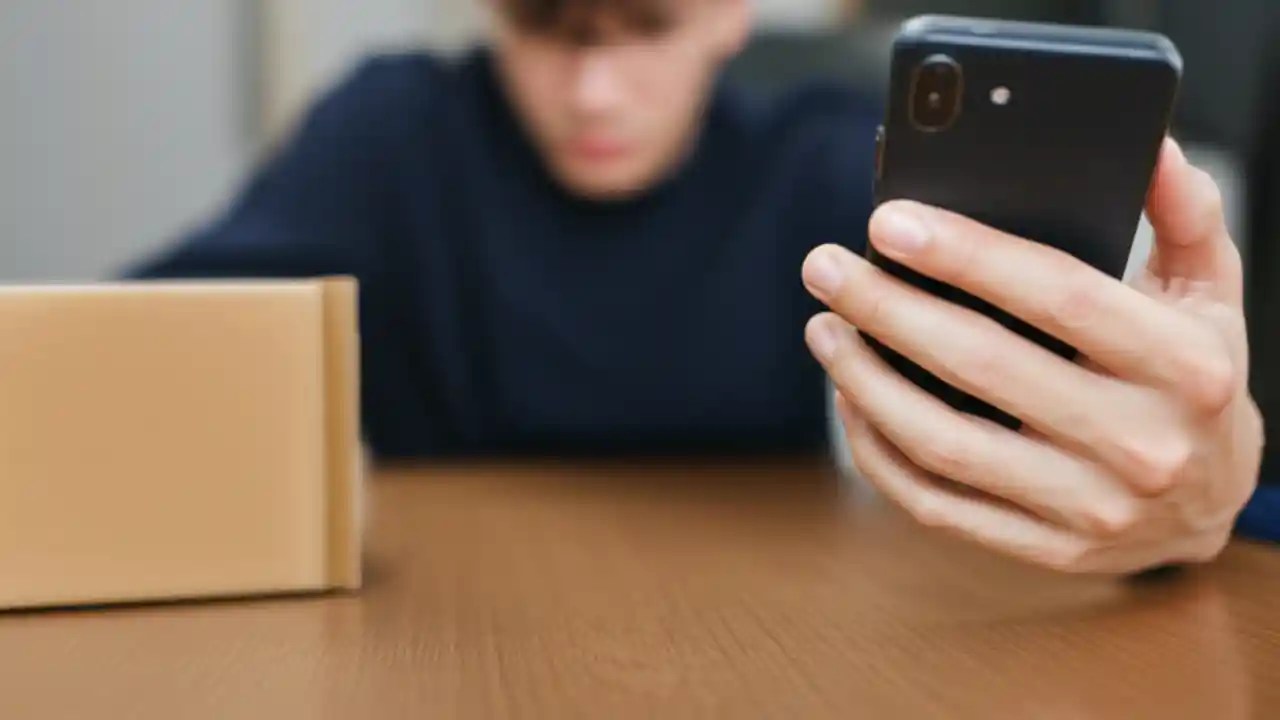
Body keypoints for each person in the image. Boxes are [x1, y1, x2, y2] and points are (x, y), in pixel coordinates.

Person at [133, 0, 1267, 573]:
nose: (592, 90)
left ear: (727, 15)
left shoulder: (819, 157)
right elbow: (162, 347)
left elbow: (1058, 421)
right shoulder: (387, 130)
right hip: (430, 635)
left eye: (645, 25)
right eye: (547, 27)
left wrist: (1202, 488)